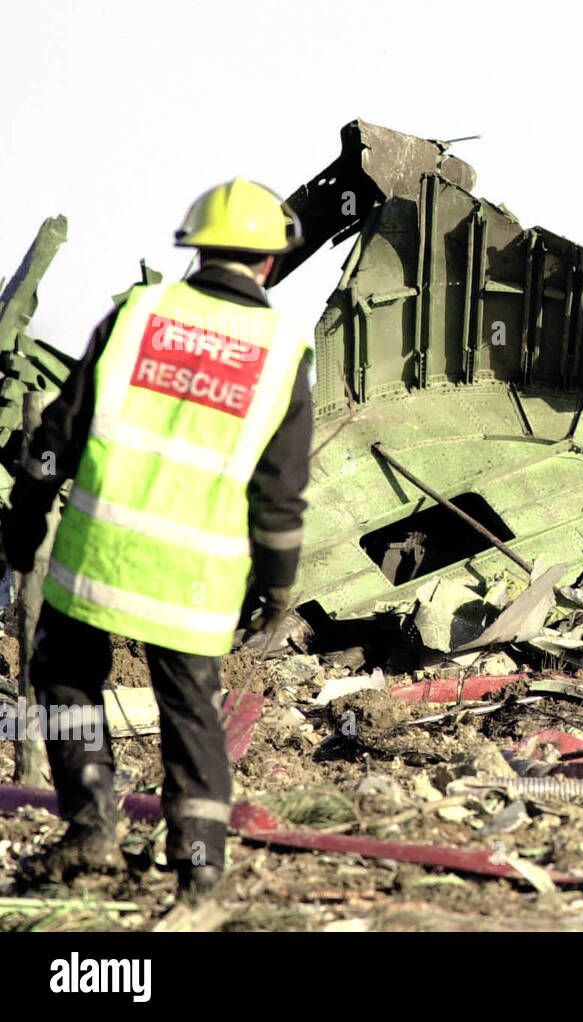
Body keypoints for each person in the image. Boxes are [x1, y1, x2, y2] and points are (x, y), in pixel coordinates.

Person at [3, 178, 313, 894]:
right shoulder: (281, 354)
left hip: (96, 563)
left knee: (66, 681)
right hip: (195, 584)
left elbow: (54, 439)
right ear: (269, 263)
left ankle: (90, 833)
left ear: (197, 248)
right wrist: (278, 589)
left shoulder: (136, 315)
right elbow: (280, 495)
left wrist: (24, 523)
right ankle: (200, 876)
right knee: (192, 718)